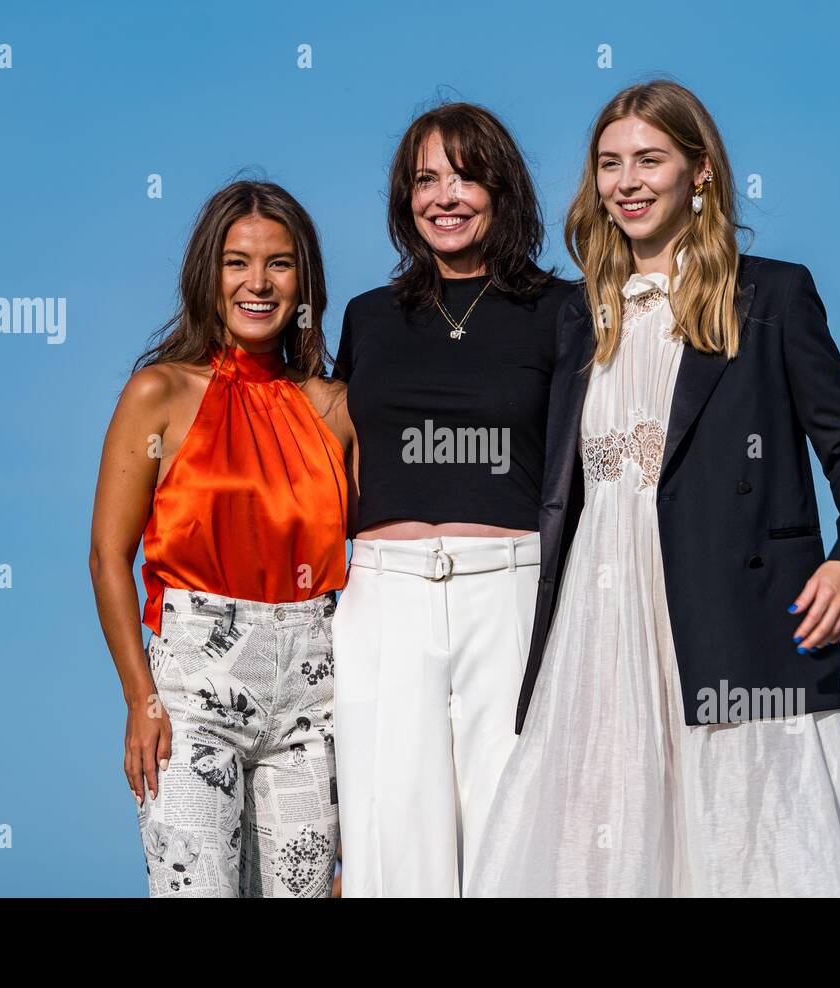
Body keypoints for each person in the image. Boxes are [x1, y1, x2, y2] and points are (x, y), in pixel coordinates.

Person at [470, 80, 840, 897]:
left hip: (737, 623)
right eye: (609, 163)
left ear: (698, 172)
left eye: (649, 160)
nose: (626, 182)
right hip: (597, 631)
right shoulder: (578, 316)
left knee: (755, 844)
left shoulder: (770, 295)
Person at [330, 102, 577, 896]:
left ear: (503, 190)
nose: (446, 196)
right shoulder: (369, 316)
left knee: (517, 826)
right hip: (383, 592)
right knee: (388, 830)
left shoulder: (563, 309)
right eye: (425, 179)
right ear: (405, 198)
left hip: (509, 587)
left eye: (466, 176)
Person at [89, 181, 353, 897]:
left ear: (306, 281)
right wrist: (139, 700)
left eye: (280, 264)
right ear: (208, 274)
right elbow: (108, 557)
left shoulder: (336, 408)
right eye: (237, 263)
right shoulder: (160, 393)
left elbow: (386, 551)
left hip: (315, 692)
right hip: (192, 690)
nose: (258, 283)